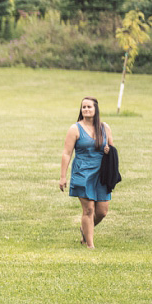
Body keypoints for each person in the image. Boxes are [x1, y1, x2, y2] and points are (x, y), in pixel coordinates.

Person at [58, 96, 113, 249]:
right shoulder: (75, 129)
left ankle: (85, 229)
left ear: (96, 109)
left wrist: (108, 150)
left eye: (89, 107)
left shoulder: (105, 128)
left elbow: (112, 150)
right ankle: (90, 245)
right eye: (84, 107)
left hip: (101, 174)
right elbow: (66, 153)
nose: (86, 109)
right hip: (82, 173)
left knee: (102, 211)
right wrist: (63, 177)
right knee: (88, 209)